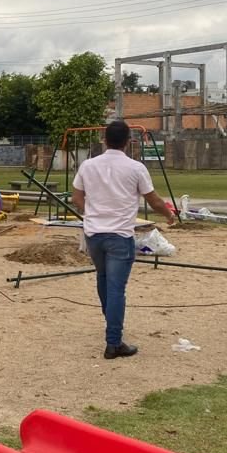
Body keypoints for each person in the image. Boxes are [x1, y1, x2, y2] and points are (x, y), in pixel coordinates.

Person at [71, 120, 176, 360]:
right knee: (117, 288)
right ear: (129, 141)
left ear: (104, 140)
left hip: (94, 234)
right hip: (120, 235)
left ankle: (112, 324)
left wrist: (92, 213)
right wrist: (169, 215)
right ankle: (114, 342)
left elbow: (76, 197)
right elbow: (154, 200)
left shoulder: (88, 165)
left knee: (103, 279)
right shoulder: (135, 168)